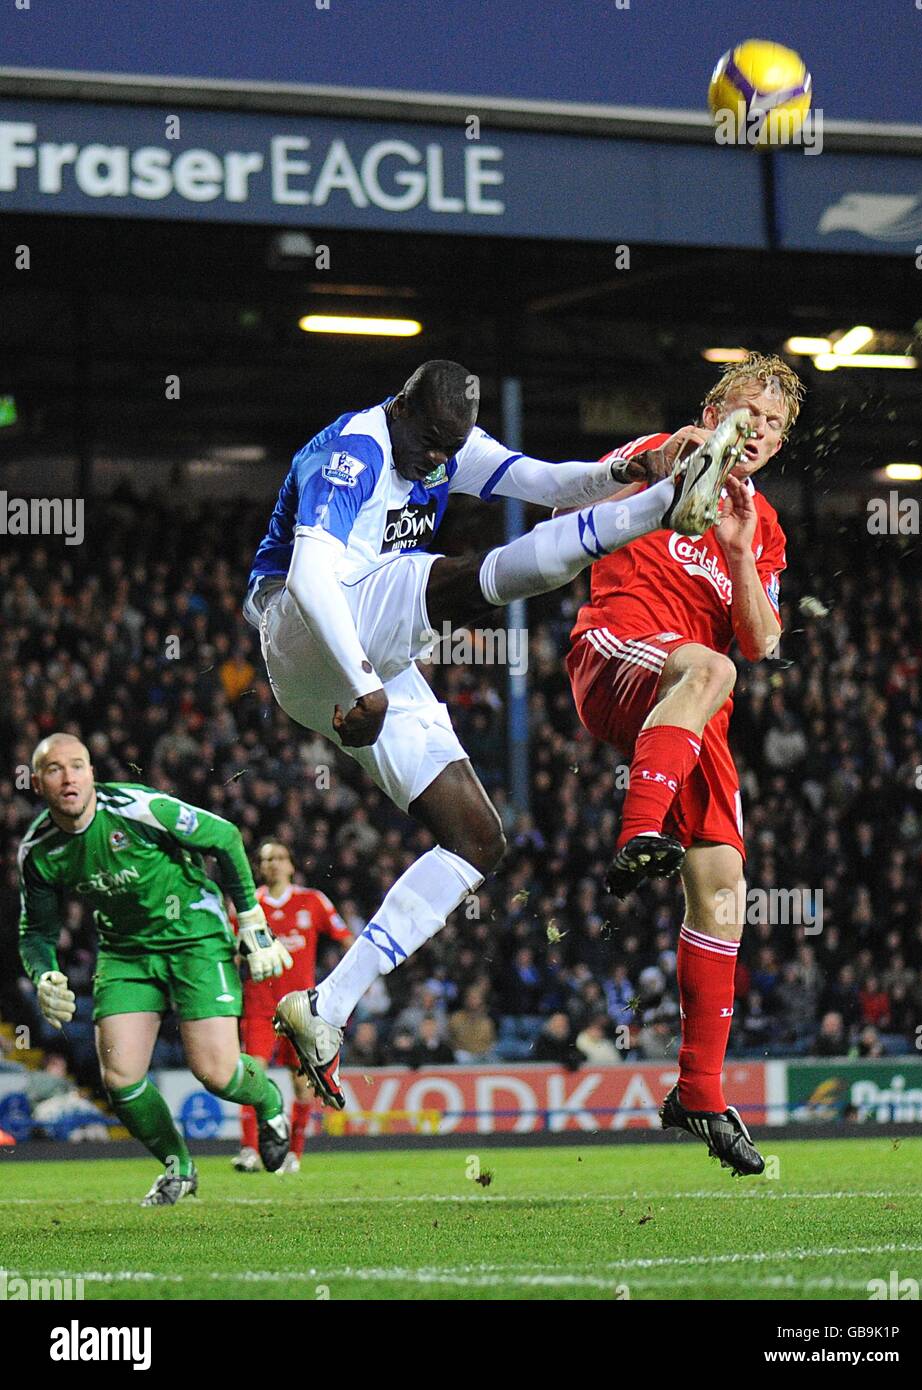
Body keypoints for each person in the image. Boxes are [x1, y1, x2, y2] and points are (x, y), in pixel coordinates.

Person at [243, 358, 751, 1109]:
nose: (438, 462)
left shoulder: (444, 443)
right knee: (461, 577)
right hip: (303, 626)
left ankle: (325, 1009)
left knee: (477, 839)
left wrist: (637, 466)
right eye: (430, 444)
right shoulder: (354, 450)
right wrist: (364, 685)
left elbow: (550, 483)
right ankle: (661, 510)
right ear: (400, 406)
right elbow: (316, 577)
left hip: (365, 657)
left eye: (451, 447)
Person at [566, 353, 804, 1176]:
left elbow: (765, 641)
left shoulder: (764, 523)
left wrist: (738, 553)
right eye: (748, 414)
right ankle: (636, 834)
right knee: (711, 667)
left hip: (694, 707)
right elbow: (587, 486)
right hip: (617, 652)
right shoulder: (666, 450)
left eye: (774, 426)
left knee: (725, 891)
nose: (759, 433)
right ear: (714, 409)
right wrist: (678, 459)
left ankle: (698, 1093)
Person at [18, 733, 293, 1204]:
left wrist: (251, 920)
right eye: (54, 769)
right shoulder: (40, 852)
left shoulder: (137, 807)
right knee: (120, 1076)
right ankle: (179, 1167)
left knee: (217, 1073)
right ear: (37, 783)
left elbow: (224, 836)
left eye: (77, 765)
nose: (68, 777)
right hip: (126, 952)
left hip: (195, 936)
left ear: (91, 773)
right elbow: (37, 934)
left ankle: (267, 1100)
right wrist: (43, 973)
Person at [232, 839, 352, 1174]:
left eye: (279, 858)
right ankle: (250, 1151)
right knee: (252, 1076)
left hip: (300, 1012)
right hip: (259, 1007)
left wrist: (341, 990)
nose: (272, 864)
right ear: (259, 866)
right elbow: (231, 952)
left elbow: (346, 941)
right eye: (266, 858)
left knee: (302, 1084)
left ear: (291, 865)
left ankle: (292, 1156)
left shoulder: (312, 901)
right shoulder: (248, 905)